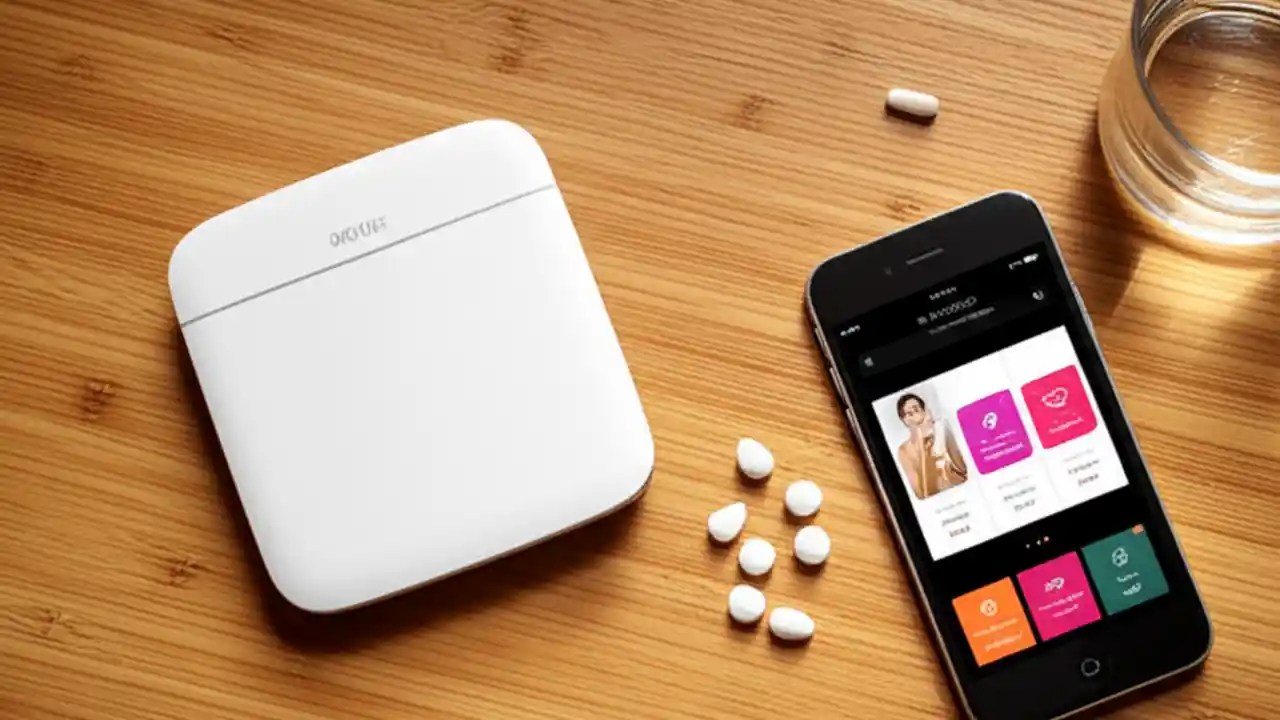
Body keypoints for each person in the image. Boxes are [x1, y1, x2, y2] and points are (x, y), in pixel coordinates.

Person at [896, 392, 968, 499]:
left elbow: (962, 468)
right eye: (909, 413)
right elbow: (920, 492)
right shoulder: (904, 450)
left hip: (960, 489)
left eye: (916, 410)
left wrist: (939, 433)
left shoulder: (941, 431)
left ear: (924, 411)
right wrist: (921, 441)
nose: (914, 416)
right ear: (903, 420)